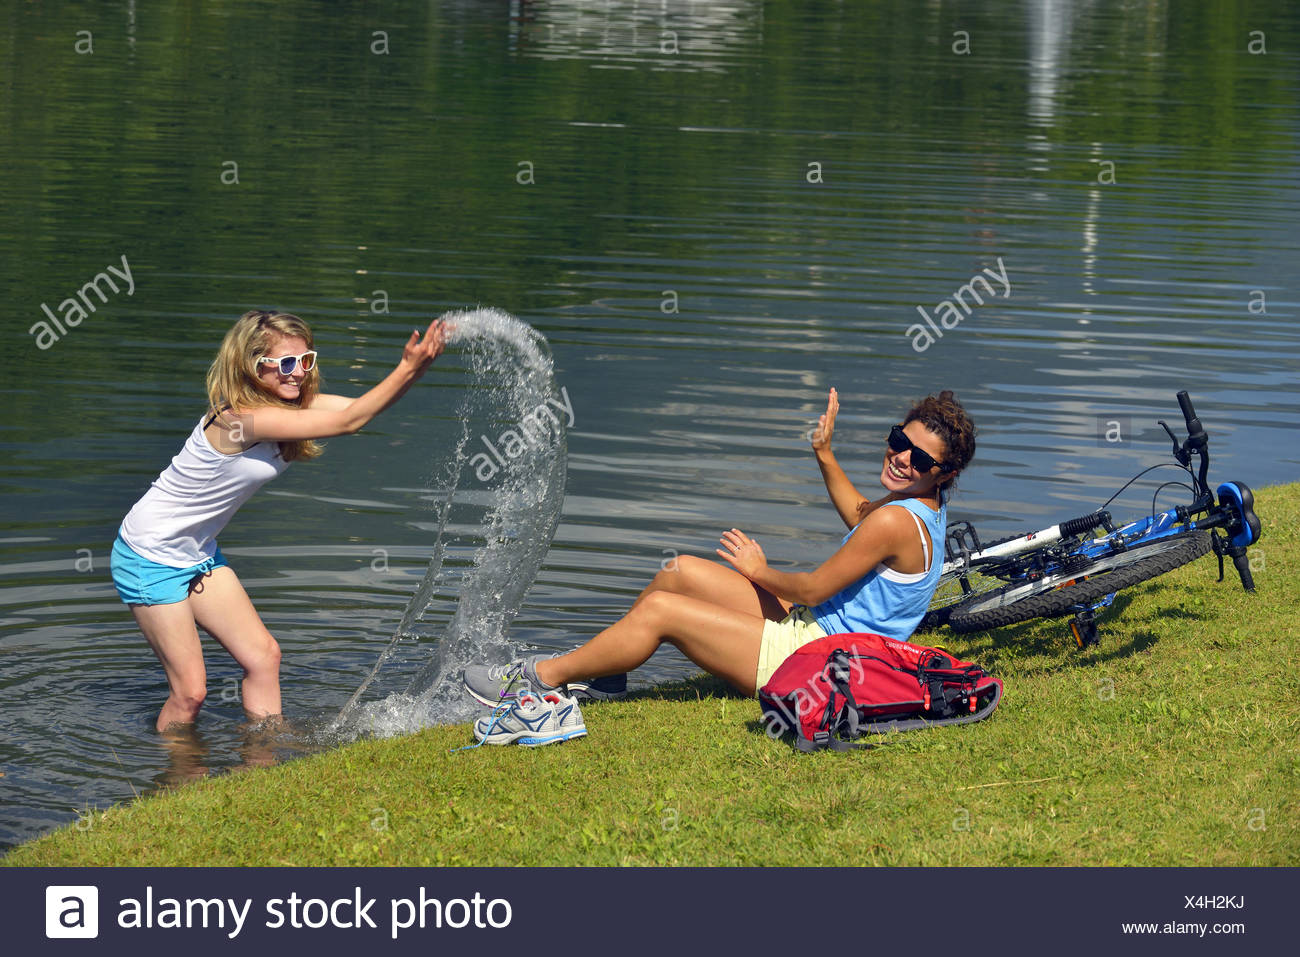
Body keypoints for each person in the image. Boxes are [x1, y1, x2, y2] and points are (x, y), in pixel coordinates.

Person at [463, 388, 976, 708]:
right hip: (812, 633)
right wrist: (824, 454)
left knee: (663, 611)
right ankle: (607, 676)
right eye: (898, 440)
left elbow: (817, 585)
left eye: (920, 459)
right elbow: (861, 515)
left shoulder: (896, 521)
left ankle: (537, 680)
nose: (902, 458)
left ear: (944, 472)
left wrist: (759, 569)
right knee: (680, 572)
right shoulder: (920, 510)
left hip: (814, 663)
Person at [111, 309, 448, 731]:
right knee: (190, 692)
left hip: (195, 553)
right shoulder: (239, 421)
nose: (298, 374)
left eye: (306, 361)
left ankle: (263, 758)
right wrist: (406, 367)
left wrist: (416, 370)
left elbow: (361, 412)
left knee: (263, 656)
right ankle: (173, 780)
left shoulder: (286, 408)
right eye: (286, 364)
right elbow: (349, 420)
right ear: (251, 367)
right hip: (149, 554)